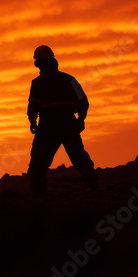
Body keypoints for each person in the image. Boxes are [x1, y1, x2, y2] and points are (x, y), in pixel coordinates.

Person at [27, 45, 98, 195]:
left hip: (48, 126)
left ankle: (38, 197)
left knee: (37, 166)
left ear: (38, 63)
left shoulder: (37, 83)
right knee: (80, 159)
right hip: (68, 124)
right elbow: (83, 103)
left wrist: (33, 122)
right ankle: (93, 188)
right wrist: (80, 120)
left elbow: (33, 107)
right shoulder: (70, 79)